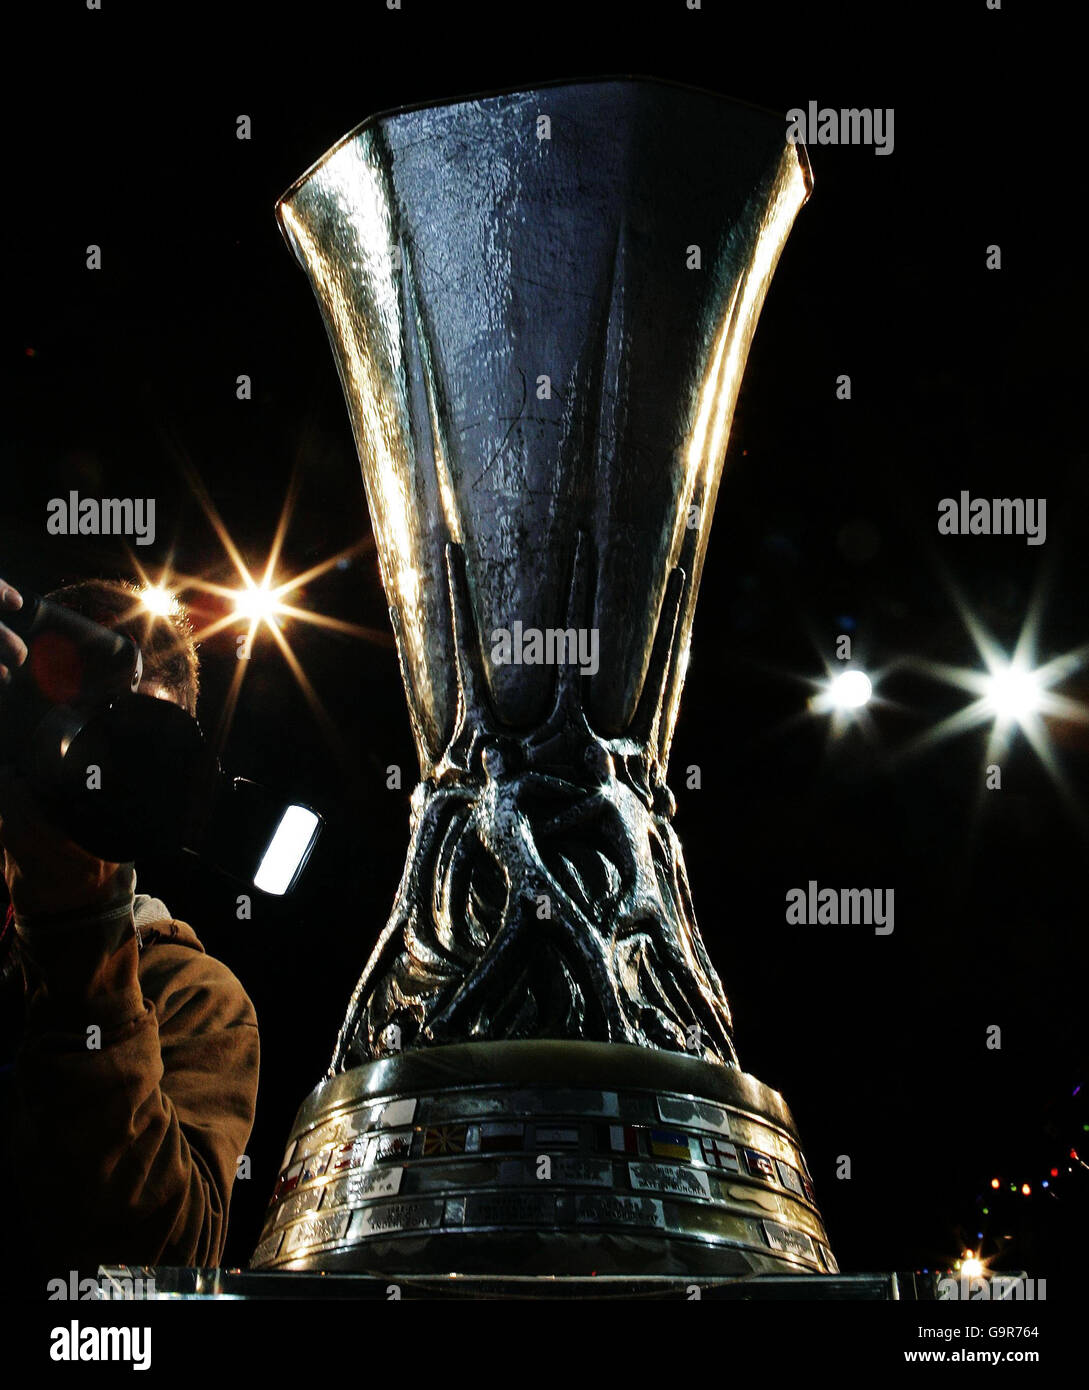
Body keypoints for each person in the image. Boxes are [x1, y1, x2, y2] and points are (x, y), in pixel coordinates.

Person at [0, 576, 259, 1288]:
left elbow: (161, 1269)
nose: (96, 772)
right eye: (83, 724)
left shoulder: (189, 994)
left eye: (136, 749)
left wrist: (83, 946)